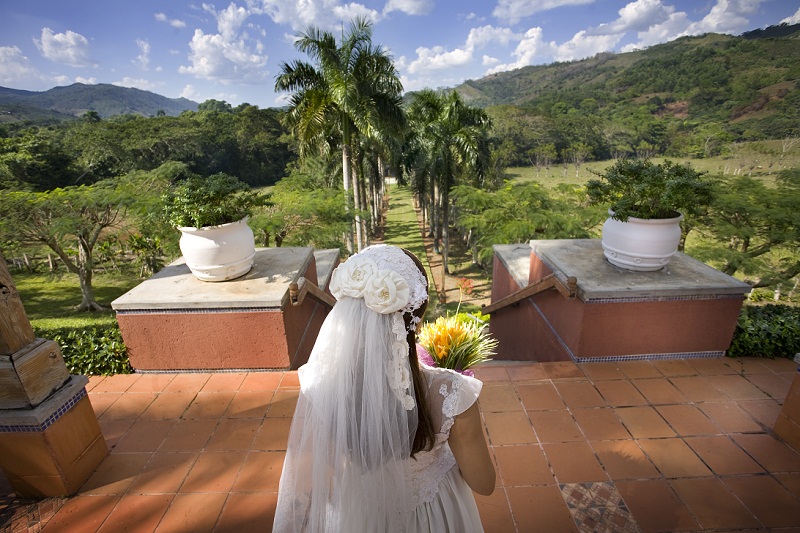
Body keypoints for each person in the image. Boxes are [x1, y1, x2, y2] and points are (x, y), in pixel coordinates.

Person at [273, 244, 495, 532]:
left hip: (361, 515)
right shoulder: (452, 394)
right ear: (417, 318)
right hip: (436, 516)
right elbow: (484, 484)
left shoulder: (321, 388)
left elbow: (319, 478)